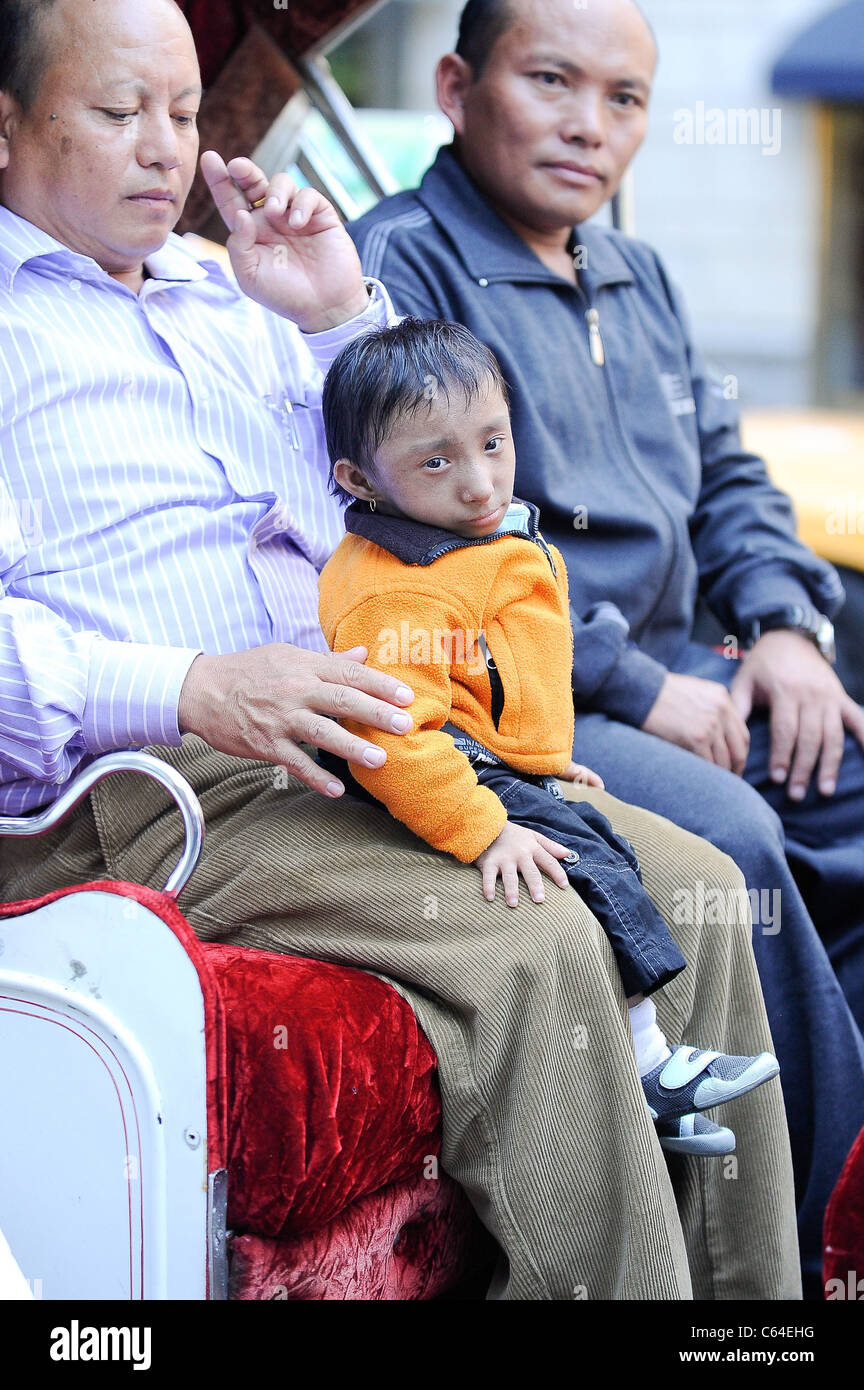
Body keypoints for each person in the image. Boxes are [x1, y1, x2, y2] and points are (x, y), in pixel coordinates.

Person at [0, 0, 799, 1299]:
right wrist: (194, 683)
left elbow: (404, 504)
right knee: (535, 937)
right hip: (142, 784)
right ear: (10, 121)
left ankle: (757, 1316)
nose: (164, 148)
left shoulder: (227, 291)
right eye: (116, 110)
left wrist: (325, 317)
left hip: (379, 730)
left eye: (187, 113)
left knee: (700, 888)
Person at [347, 0, 864, 1295]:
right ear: (461, 86)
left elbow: (733, 477)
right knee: (736, 840)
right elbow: (427, 537)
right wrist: (642, 682)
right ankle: (790, 1258)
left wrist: (785, 630)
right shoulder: (402, 267)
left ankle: (841, 1181)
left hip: (705, 660)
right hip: (531, 693)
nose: (590, 124)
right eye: (554, 81)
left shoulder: (639, 274)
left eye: (625, 98)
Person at [318, 315, 782, 1159]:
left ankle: (661, 1087)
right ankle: (647, 1066)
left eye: (493, 442)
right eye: (436, 461)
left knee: (608, 833)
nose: (477, 481)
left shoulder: (475, 540)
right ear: (362, 480)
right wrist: (486, 825)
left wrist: (543, 763)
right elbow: (390, 734)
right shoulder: (402, 594)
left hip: (484, 754)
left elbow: (499, 676)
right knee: (585, 860)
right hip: (445, 769)